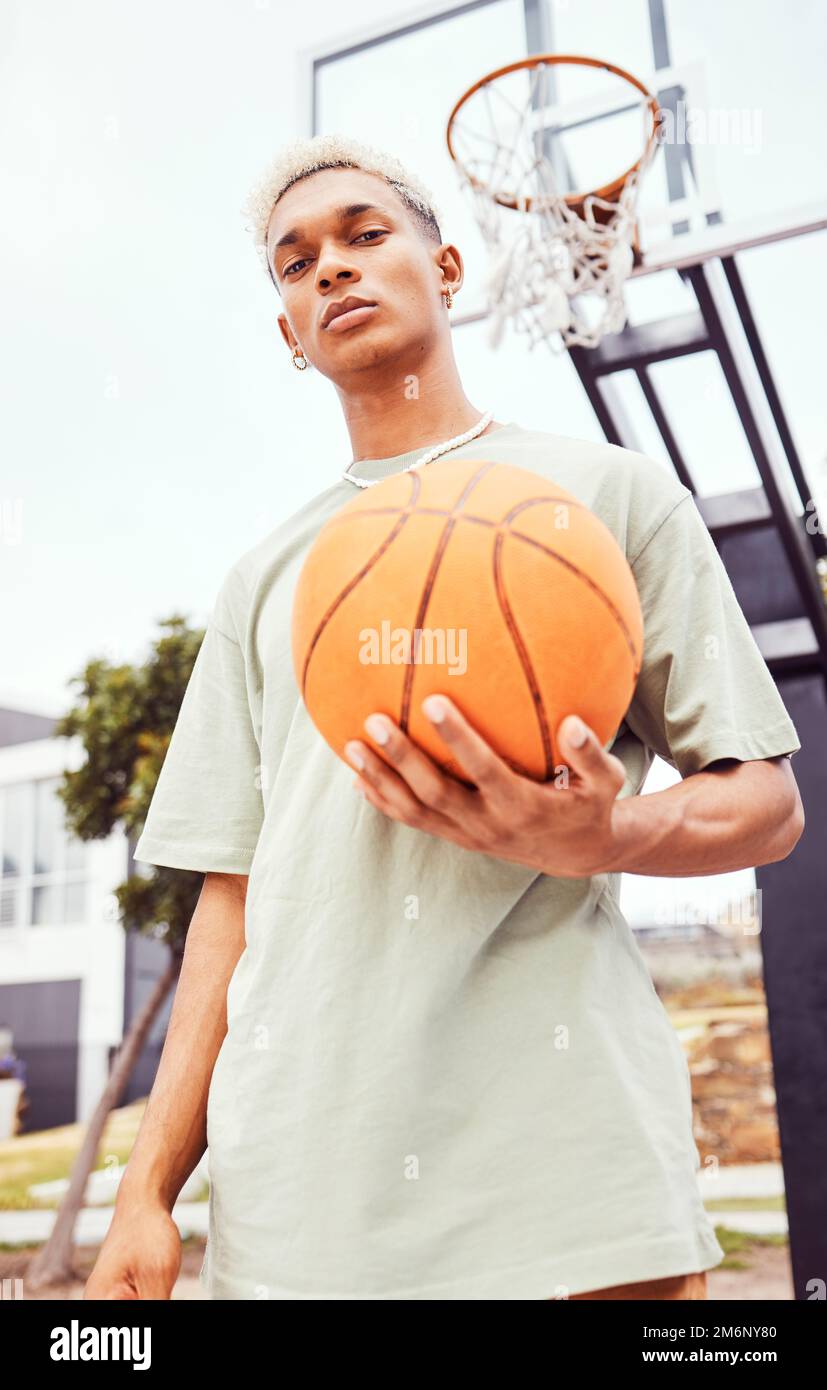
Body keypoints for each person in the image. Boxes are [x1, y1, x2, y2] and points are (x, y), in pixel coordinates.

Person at [84, 134, 804, 1302]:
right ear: (286, 332)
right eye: (294, 262)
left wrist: (603, 836)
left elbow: (765, 802)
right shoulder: (263, 576)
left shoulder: (609, 495)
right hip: (300, 1195)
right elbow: (229, 898)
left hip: (565, 1173)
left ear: (450, 266)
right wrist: (144, 1191)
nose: (330, 270)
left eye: (365, 235)